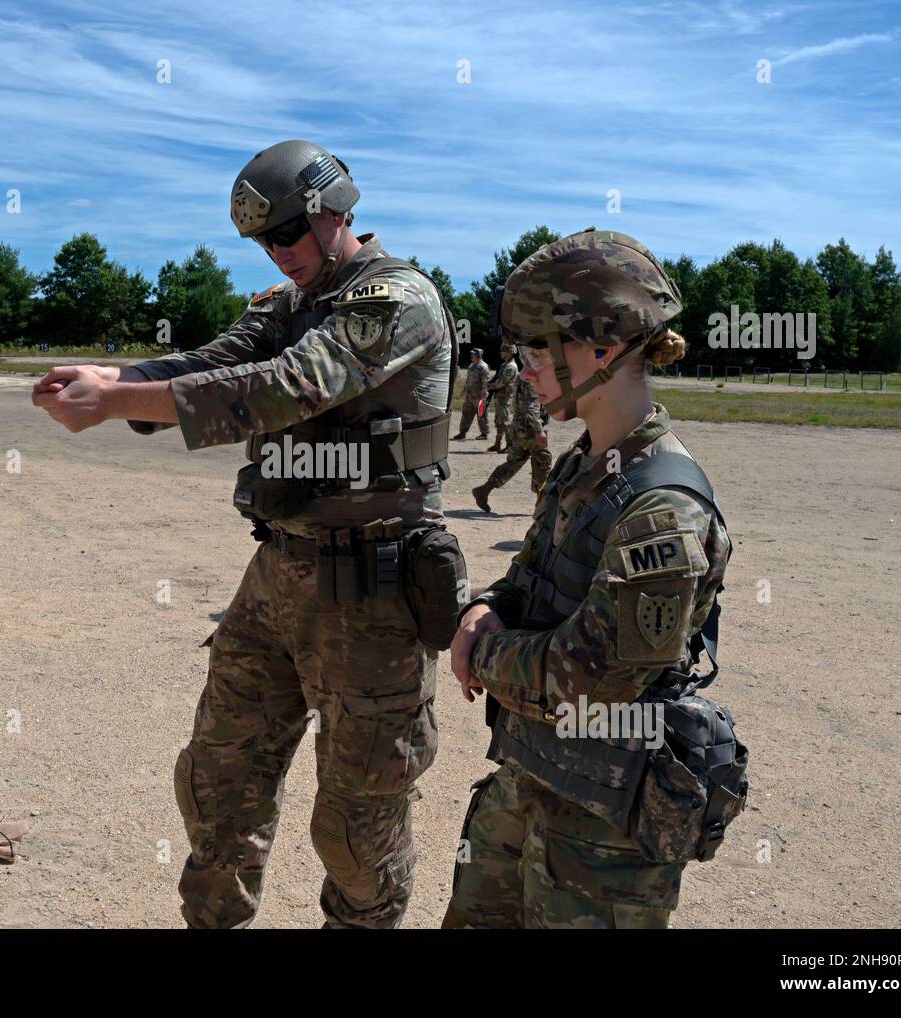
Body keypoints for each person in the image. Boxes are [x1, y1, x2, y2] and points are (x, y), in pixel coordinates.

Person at [31, 140, 459, 929]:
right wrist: (112, 384)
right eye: (264, 241)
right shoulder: (285, 304)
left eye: (289, 232)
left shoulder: (395, 300)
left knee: (358, 818)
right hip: (278, 571)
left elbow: (289, 387)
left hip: (372, 587)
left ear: (336, 209)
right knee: (219, 781)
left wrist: (118, 400)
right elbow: (210, 362)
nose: (279, 252)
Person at [442, 228, 739, 929]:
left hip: (601, 835)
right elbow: (532, 573)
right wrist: (487, 605)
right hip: (530, 780)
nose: (525, 369)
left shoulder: (661, 508)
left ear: (602, 350)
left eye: (539, 349)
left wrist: (480, 650)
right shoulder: (586, 465)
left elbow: (589, 677)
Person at [471, 373, 551, 511]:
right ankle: (542, 504)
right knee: (543, 460)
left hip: (520, 426)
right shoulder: (534, 376)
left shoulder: (527, 373)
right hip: (530, 428)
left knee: (515, 461)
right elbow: (531, 407)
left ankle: (484, 490)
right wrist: (539, 430)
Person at [453, 348, 493, 441]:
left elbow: (485, 383)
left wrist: (484, 396)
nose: (471, 356)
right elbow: (468, 380)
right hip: (470, 395)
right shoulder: (471, 366)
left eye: (473, 355)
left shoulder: (483, 367)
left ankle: (484, 433)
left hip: (479, 396)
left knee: (481, 414)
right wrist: (464, 389)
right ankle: (462, 432)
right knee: (466, 413)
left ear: (478, 356)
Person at [486, 343, 519, 452]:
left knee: (506, 422)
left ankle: (510, 445)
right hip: (499, 397)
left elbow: (501, 383)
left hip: (505, 398)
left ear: (509, 352)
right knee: (499, 421)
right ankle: (497, 444)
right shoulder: (504, 365)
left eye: (503, 351)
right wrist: (489, 384)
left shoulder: (510, 367)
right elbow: (496, 378)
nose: (501, 353)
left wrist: (489, 386)